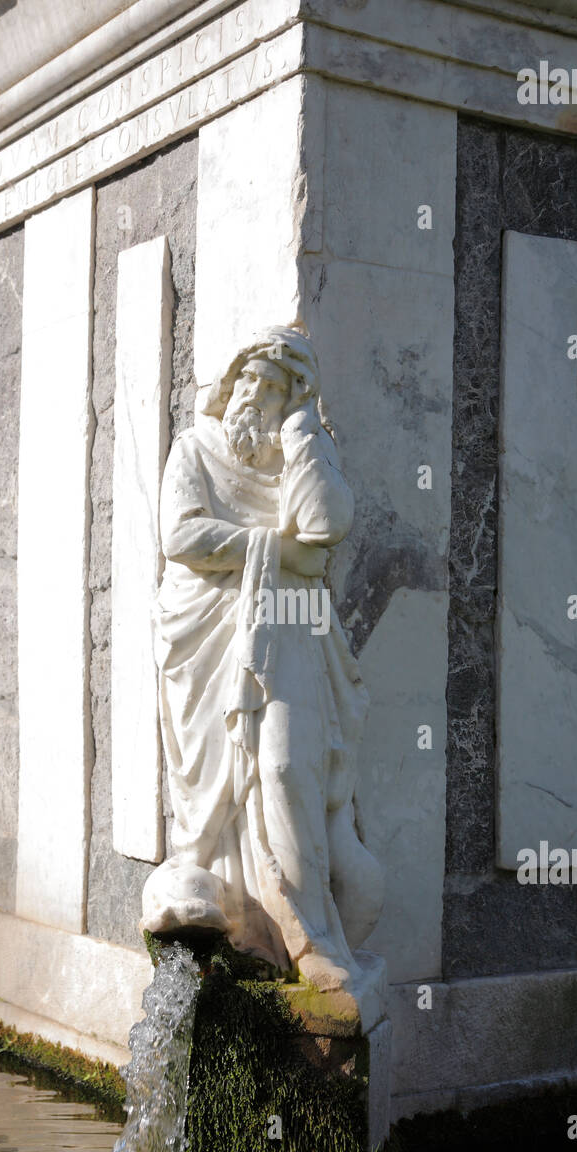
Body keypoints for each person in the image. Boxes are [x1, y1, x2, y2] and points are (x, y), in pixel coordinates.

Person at [140, 327, 383, 993]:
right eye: (250, 378)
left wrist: (305, 435)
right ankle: (241, 917)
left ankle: (310, 939)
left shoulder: (301, 453)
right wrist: (275, 549)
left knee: (279, 766)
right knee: (215, 789)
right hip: (204, 636)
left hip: (285, 631)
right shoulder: (196, 448)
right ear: (232, 381)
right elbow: (182, 535)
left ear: (292, 398)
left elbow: (326, 525)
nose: (257, 393)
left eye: (276, 386)